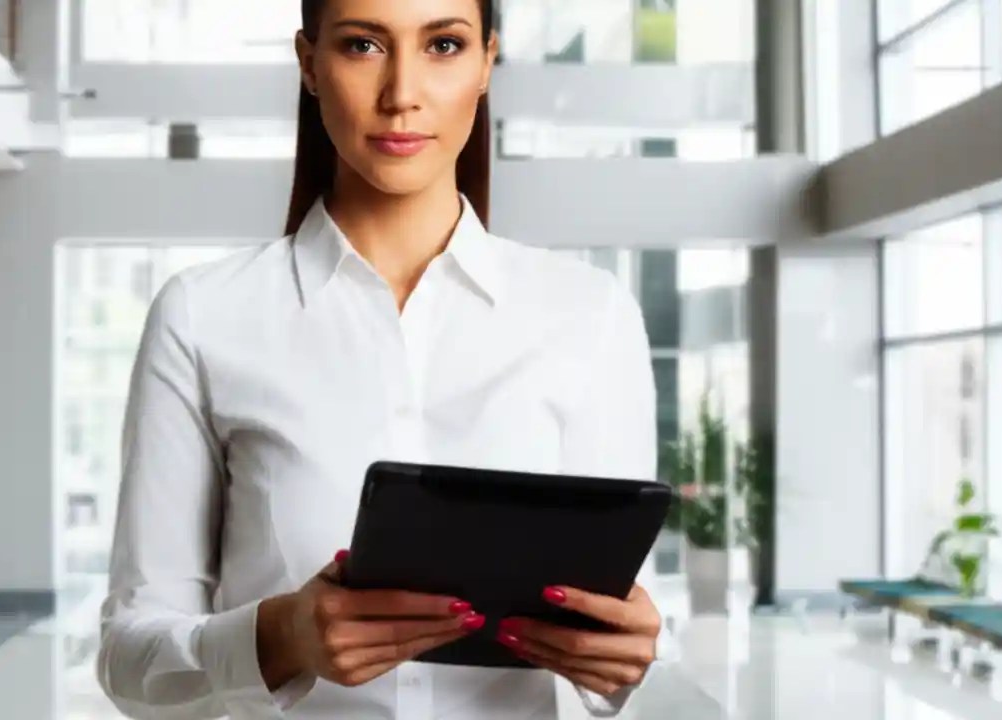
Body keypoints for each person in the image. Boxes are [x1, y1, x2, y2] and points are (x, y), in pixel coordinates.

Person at [96, 0, 666, 717]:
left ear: (487, 63)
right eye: (363, 45)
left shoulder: (590, 315)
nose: (402, 94)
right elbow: (130, 660)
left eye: (444, 46)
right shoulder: (203, 316)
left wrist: (621, 661)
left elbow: (623, 640)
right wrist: (283, 637)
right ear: (309, 64)